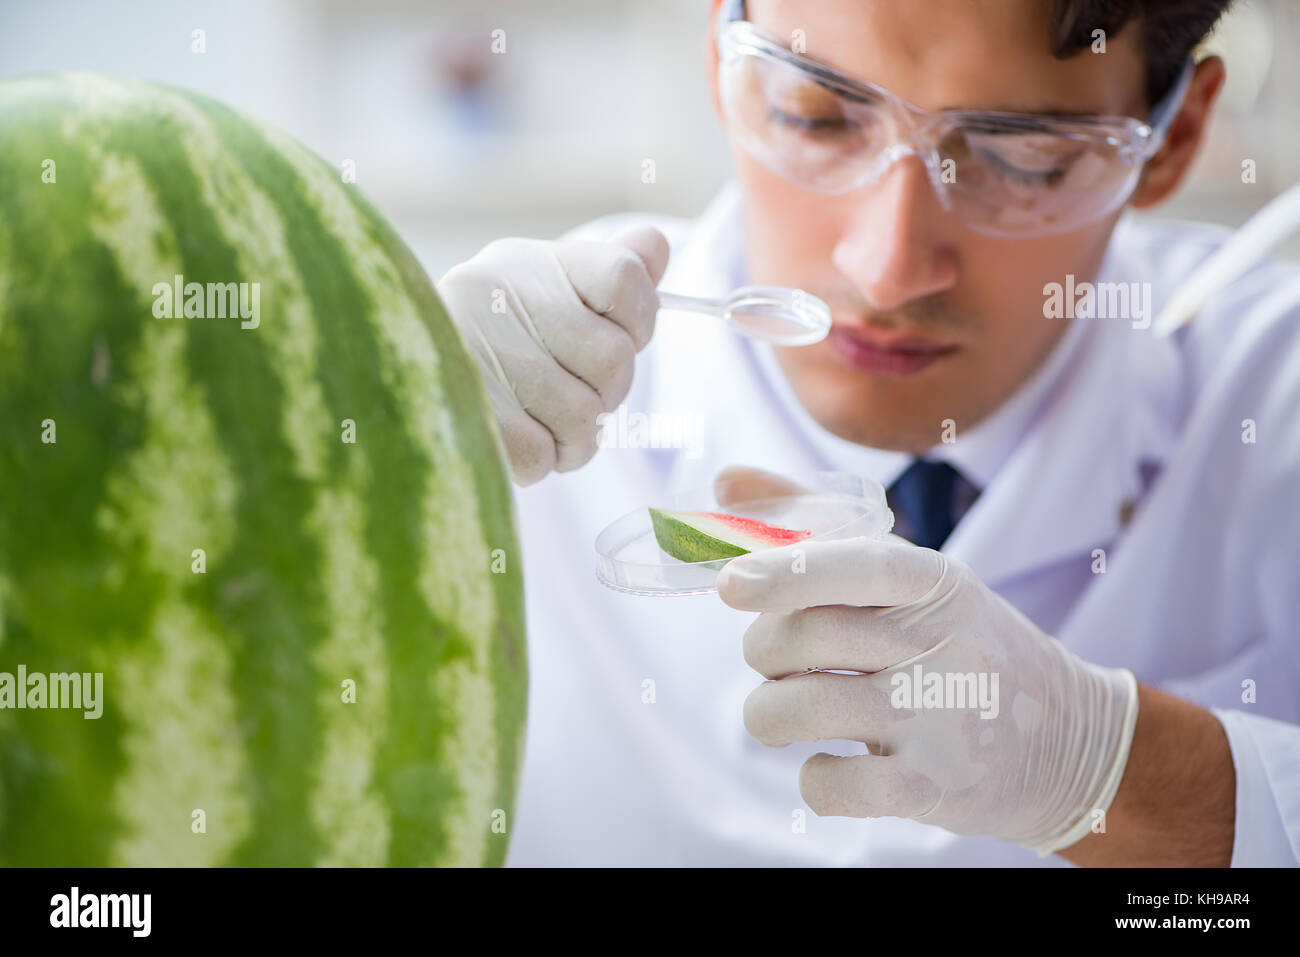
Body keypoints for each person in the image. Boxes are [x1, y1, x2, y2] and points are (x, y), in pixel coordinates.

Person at [435, 0, 1300, 866]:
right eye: (816, 117)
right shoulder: (508, 377)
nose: (886, 271)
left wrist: (1104, 767)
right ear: (718, 59)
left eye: (1022, 159)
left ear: (1177, 134)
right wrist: (367, 423)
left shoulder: (1272, 402)